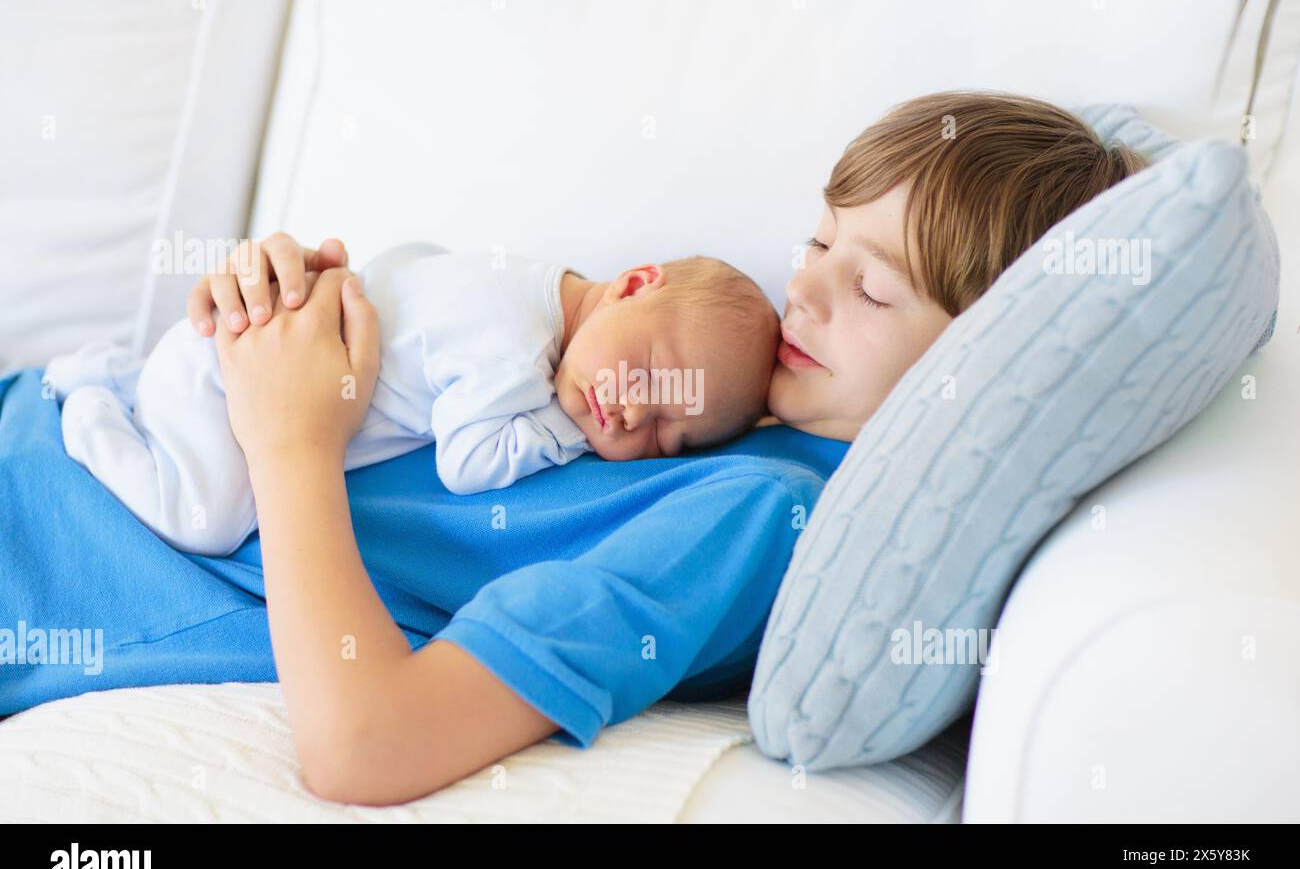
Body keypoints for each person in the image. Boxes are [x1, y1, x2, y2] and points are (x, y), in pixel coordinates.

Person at [2, 90, 1144, 805]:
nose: (802, 286)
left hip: (47, 552)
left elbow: (366, 745)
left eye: (871, 287)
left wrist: (284, 427)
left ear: (984, 360)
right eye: (817, 240)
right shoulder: (730, 393)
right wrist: (272, 308)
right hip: (65, 417)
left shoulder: (761, 512)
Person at [43, 248, 776, 555]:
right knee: (204, 523)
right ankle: (88, 407)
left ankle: (124, 382)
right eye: (649, 377)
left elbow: (405, 259)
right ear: (637, 282)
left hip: (226, 362)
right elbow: (466, 462)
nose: (627, 414)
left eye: (666, 438)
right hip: (226, 379)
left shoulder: (520, 277)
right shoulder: (517, 350)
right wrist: (568, 435)